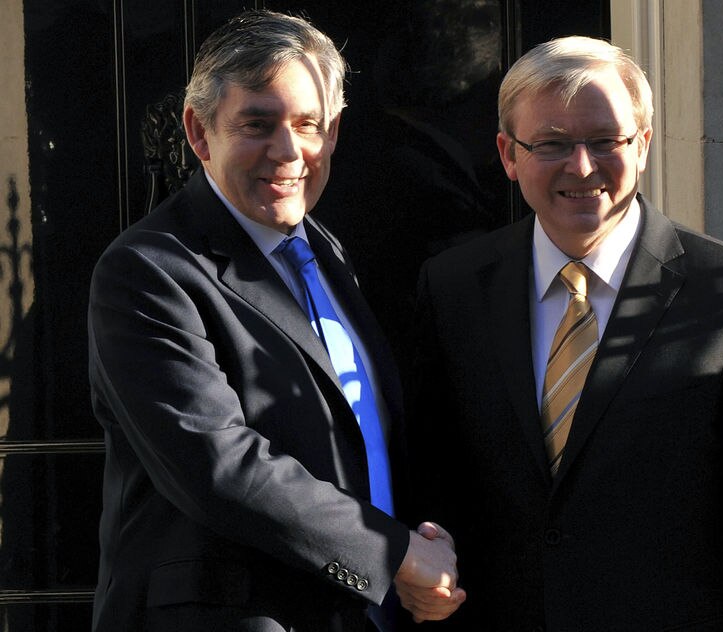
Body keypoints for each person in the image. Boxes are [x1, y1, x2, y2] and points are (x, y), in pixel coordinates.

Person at [409, 35, 723, 631]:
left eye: (605, 140)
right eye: (552, 144)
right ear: (508, 155)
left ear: (644, 145)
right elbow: (433, 481)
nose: (581, 167)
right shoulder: (453, 287)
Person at [88, 10, 465, 632]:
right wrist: (391, 554)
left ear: (334, 132)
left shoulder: (327, 253)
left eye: (307, 125)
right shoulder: (148, 269)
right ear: (200, 132)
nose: (288, 152)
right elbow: (218, 465)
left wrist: (416, 550)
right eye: (257, 125)